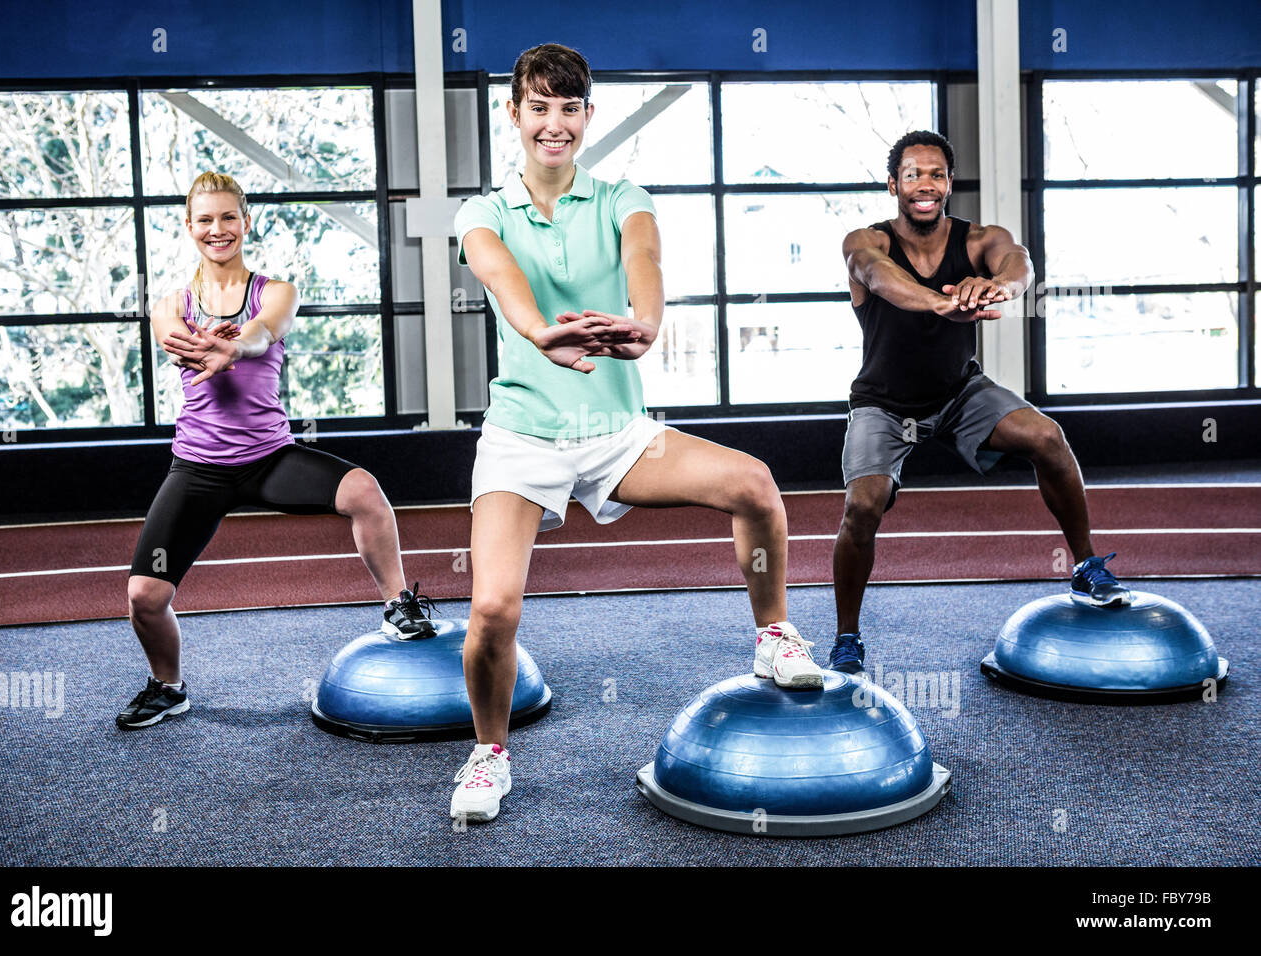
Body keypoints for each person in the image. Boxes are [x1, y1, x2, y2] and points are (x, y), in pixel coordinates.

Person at [450, 43, 820, 823]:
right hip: (522, 437)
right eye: (540, 108)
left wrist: (644, 326)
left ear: (588, 115)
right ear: (513, 113)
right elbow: (501, 277)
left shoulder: (622, 195)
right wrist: (540, 330)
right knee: (492, 611)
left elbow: (645, 260)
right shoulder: (481, 211)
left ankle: (774, 633)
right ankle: (490, 753)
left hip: (617, 432)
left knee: (753, 485)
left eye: (570, 108)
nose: (556, 124)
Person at [117, 171, 435, 730]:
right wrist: (198, 345)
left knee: (365, 490)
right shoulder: (171, 303)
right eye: (205, 220)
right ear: (189, 228)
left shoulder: (277, 291)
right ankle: (168, 686)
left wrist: (233, 345)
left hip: (270, 461)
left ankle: (397, 604)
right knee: (145, 594)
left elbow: (268, 329)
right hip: (199, 468)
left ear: (246, 220)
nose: (218, 230)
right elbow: (173, 336)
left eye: (228, 217)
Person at [830, 130, 1131, 675]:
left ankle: (1086, 564)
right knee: (862, 507)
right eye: (914, 174)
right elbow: (881, 278)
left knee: (1046, 436)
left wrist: (998, 290)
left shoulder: (977, 240)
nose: (926, 184)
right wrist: (944, 303)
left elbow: (1019, 262)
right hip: (883, 404)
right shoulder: (864, 242)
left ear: (949, 183)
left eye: (937, 174)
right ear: (894, 183)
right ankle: (847, 636)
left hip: (959, 392)